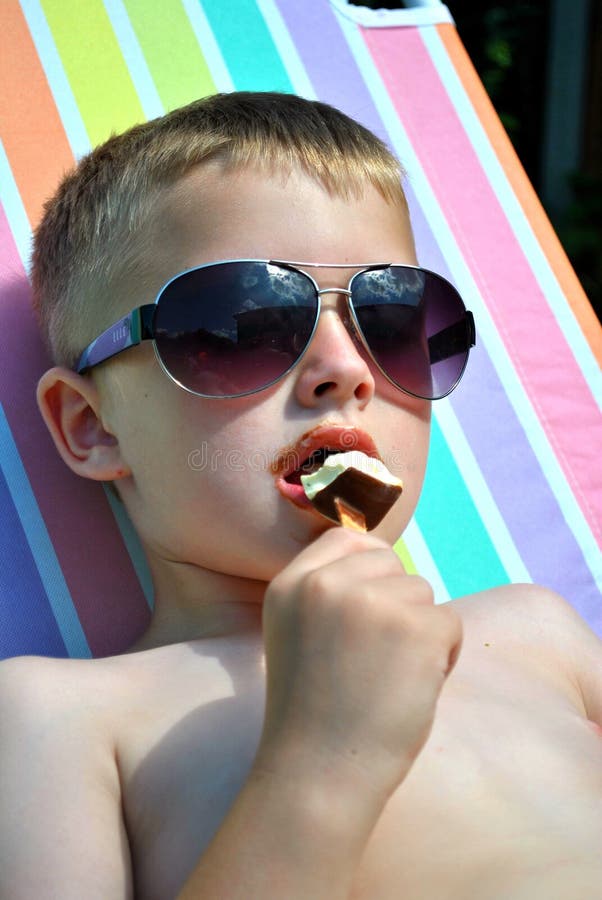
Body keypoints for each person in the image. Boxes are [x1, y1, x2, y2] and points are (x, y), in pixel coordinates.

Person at [0, 91, 600, 900]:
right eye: (244, 326)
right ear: (93, 426)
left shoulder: (538, 634)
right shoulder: (61, 720)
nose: (346, 369)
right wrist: (322, 762)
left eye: (391, 322)